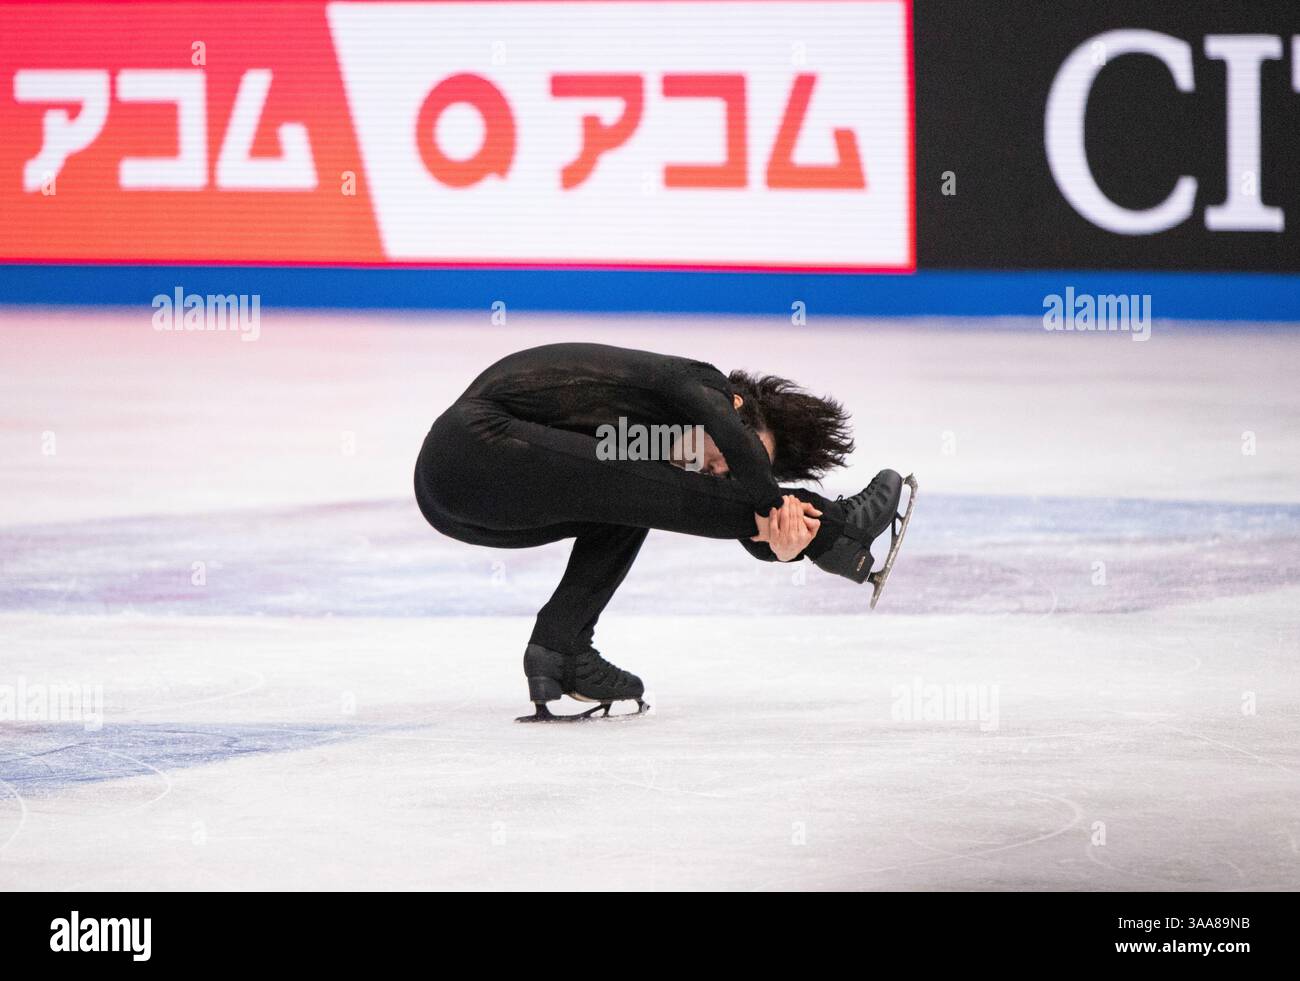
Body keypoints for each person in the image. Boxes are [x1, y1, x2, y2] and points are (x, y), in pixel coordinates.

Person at [414, 342, 914, 721]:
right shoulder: (702, 385)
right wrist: (787, 517)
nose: (724, 472)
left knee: (638, 499)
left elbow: (708, 504)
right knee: (642, 483)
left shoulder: (646, 443)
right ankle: (840, 530)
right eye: (744, 456)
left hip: (461, 506)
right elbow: (735, 468)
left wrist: (780, 544)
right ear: (738, 409)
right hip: (471, 447)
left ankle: (561, 648)